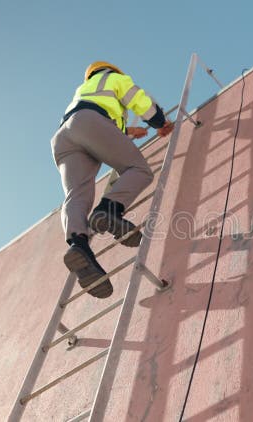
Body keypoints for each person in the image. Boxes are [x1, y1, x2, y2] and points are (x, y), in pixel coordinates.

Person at [51, 61, 174, 298]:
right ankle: (108, 210)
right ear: (111, 70)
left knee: (77, 194)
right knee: (138, 170)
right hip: (89, 123)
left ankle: (79, 245)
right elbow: (138, 100)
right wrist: (160, 123)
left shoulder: (84, 92)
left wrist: (127, 131)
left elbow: (98, 121)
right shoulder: (112, 78)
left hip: (63, 138)